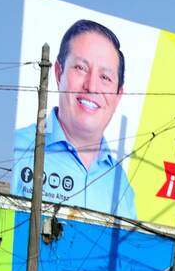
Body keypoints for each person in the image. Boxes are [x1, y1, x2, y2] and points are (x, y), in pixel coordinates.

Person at [12, 18, 135, 217]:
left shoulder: (120, 185)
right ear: (59, 73)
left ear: (118, 95)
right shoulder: (20, 148)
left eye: (105, 77)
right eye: (81, 68)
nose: (92, 86)